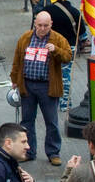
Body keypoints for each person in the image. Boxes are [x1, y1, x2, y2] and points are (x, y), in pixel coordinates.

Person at [10, 11, 72, 165]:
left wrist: (55, 50)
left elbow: (68, 57)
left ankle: (53, 152)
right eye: (40, 25)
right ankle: (29, 151)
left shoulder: (58, 38)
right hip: (28, 85)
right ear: (35, 23)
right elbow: (17, 59)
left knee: (51, 121)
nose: (42, 28)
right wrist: (14, 79)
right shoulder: (25, 38)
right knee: (27, 121)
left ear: (51, 24)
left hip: (48, 86)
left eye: (46, 25)